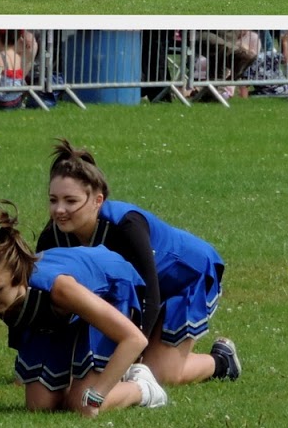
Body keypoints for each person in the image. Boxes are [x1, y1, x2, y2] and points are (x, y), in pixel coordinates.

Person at [0, 201, 168, 416]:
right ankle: (81, 380)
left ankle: (142, 386)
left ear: (20, 278)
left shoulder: (60, 288)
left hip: (111, 291)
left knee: (84, 405)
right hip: (56, 316)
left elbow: (134, 339)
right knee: (39, 405)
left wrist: (98, 395)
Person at [36, 139, 238, 385]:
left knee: (160, 373)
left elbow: (149, 293)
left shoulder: (126, 226)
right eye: (53, 200)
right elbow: (44, 296)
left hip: (187, 276)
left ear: (97, 201)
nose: (59, 209)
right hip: (145, 288)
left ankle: (222, 361)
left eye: (71, 201)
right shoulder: (53, 236)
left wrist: (131, 354)